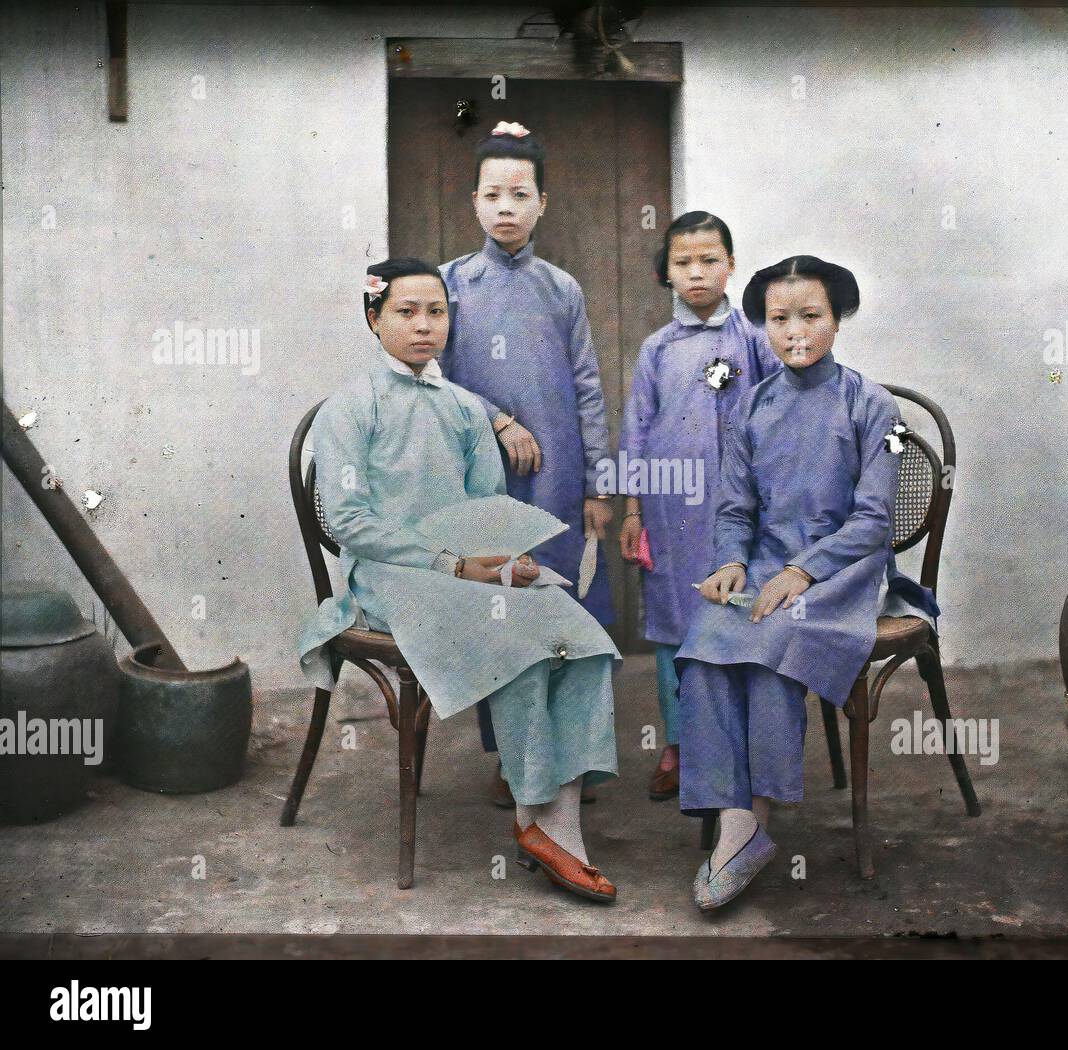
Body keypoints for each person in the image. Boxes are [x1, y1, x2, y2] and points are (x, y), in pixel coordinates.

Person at [298, 257, 620, 903]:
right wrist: (451, 565)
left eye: (436, 312)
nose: (424, 326)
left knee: (580, 636)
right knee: (519, 641)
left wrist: (502, 560)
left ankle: (555, 820)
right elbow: (350, 520)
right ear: (374, 318)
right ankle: (542, 825)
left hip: (463, 574)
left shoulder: (464, 409)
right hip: (390, 578)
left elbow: (484, 507)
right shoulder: (351, 408)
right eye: (406, 312)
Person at [675, 255, 940, 911]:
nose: (796, 332)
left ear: (836, 319)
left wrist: (802, 571)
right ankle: (737, 819)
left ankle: (748, 826)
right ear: (763, 324)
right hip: (764, 566)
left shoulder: (871, 406)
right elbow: (735, 508)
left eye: (811, 317)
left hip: (840, 574)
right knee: (705, 644)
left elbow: (875, 521)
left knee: (770, 645)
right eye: (779, 319)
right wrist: (732, 561)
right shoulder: (753, 406)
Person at [439, 121, 615, 803]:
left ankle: (571, 759)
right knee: (501, 609)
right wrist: (498, 419)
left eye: (521, 193)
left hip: (560, 475)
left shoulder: (561, 289)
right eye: (493, 194)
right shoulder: (452, 285)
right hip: (487, 479)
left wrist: (599, 482)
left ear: (543, 202)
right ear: (474, 202)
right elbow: (435, 381)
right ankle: (513, 758)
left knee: (565, 607)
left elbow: (589, 385)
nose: (506, 207)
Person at [617, 211, 779, 800]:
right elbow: (636, 429)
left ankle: (733, 748)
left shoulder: (757, 341)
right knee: (673, 624)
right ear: (667, 273)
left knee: (732, 614)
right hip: (667, 508)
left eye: (710, 260)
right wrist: (633, 509)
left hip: (735, 507)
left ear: (731, 265)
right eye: (683, 262)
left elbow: (777, 419)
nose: (697, 272)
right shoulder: (658, 348)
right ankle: (679, 744)